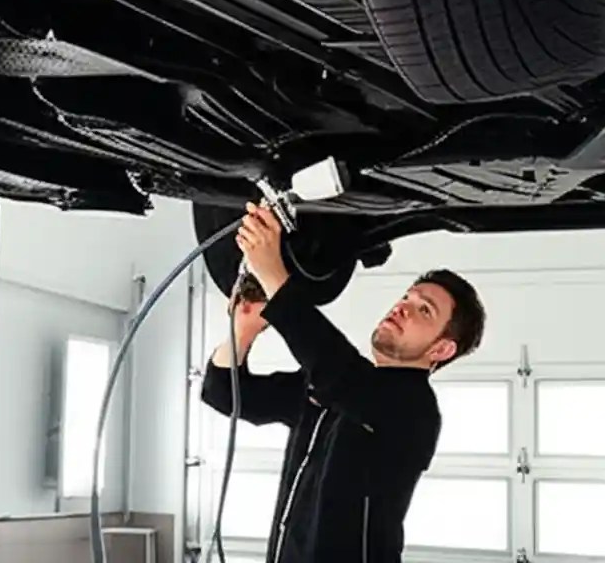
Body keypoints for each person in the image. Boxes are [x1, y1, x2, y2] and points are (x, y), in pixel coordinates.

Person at [201, 203, 486, 563]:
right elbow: (224, 394)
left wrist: (274, 275)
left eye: (424, 310)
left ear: (442, 348)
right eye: (407, 298)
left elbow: (339, 371)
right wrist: (243, 330)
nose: (403, 307)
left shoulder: (414, 411)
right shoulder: (333, 389)